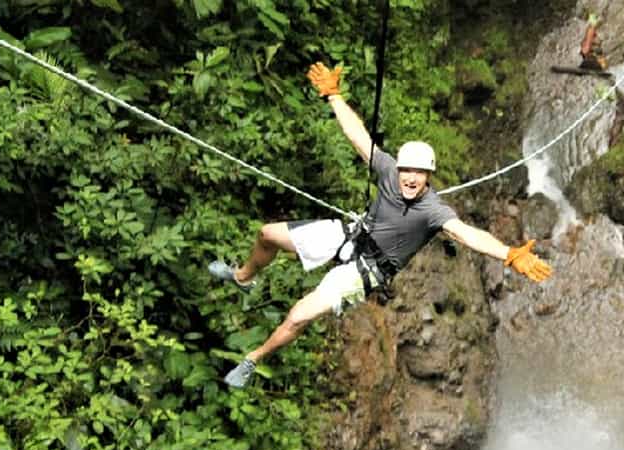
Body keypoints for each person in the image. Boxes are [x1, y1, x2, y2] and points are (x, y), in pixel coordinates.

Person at [210, 62, 553, 388]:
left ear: (428, 177)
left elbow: (466, 234)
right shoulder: (389, 171)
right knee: (267, 234)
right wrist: (334, 95)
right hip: (350, 235)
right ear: (400, 168)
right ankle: (243, 277)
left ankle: (252, 360)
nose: (411, 178)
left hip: (366, 271)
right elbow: (358, 136)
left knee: (299, 315)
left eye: (419, 173)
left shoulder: (434, 211)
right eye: (407, 171)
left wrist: (509, 254)